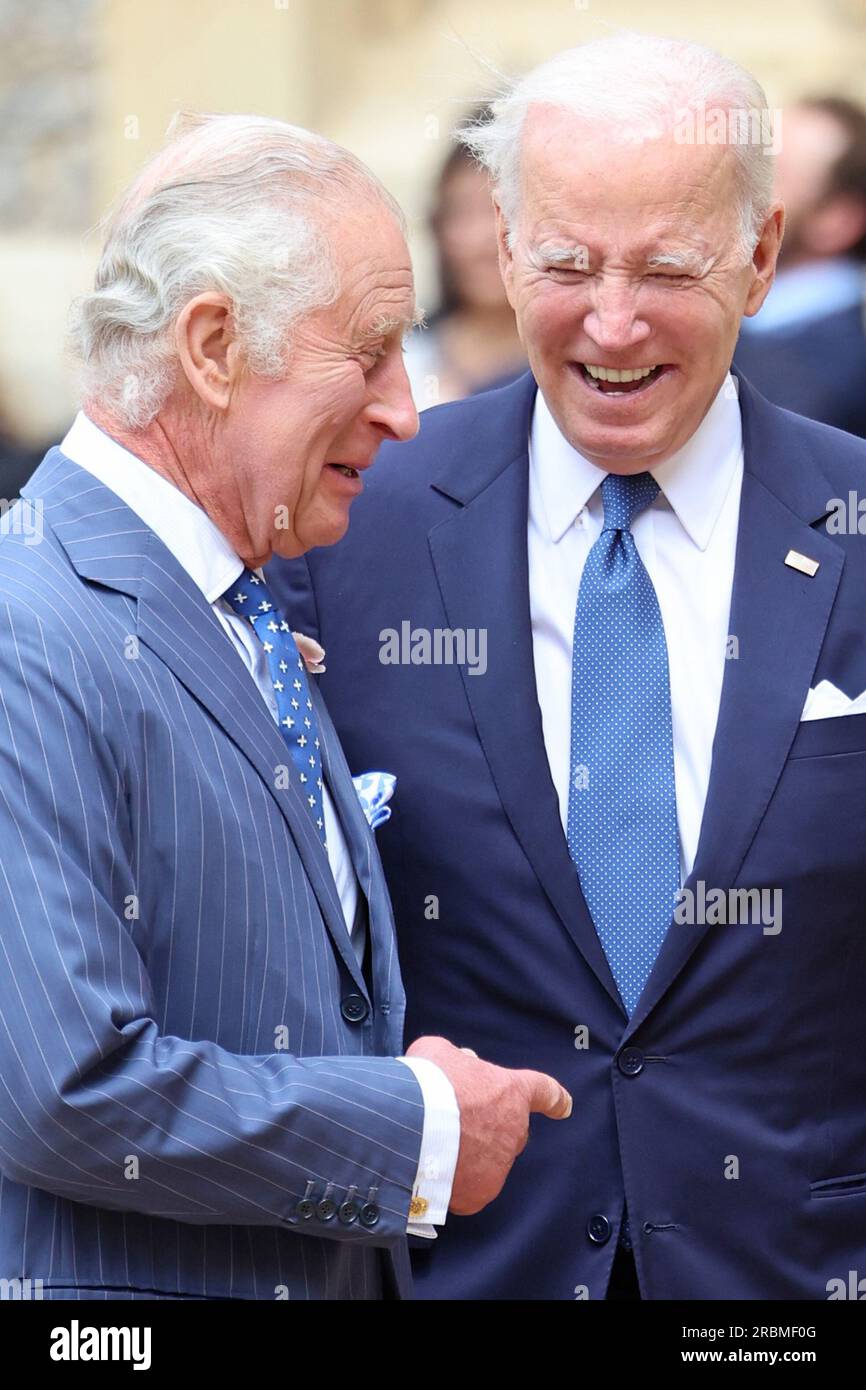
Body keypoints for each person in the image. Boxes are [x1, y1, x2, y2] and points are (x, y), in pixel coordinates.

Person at [272, 35, 866, 1300]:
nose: (609, 322)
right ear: (497, 240)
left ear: (760, 256)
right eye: (562, 264)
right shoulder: (352, 521)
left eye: (663, 268)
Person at [0, 112, 571, 1302]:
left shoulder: (230, 601)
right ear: (211, 345)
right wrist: (411, 1128)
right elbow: (62, 1090)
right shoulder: (29, 622)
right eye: (366, 352)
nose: (405, 410)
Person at [735, 97, 866, 435]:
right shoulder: (750, 325)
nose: (736, 183)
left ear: (836, 221)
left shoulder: (829, 381)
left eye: (771, 172)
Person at [403, 112, 527, 409]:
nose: (484, 239)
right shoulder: (406, 357)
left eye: (502, 213)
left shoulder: (569, 369)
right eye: (463, 212)